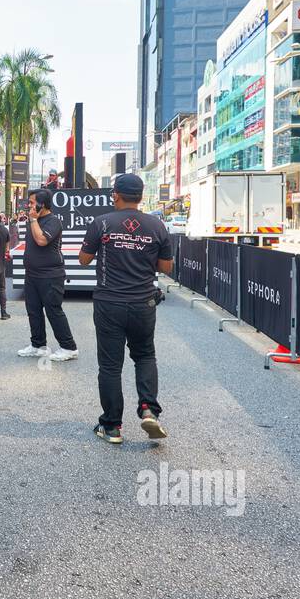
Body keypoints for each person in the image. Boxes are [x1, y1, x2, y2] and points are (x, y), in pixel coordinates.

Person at [78, 173, 171, 444]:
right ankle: (148, 409)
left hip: (109, 303)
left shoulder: (102, 223)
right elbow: (166, 268)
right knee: (144, 356)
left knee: (110, 366)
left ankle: (112, 426)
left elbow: (84, 260)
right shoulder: (157, 226)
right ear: (141, 196)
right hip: (144, 303)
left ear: (115, 194)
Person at [19, 188, 78, 361]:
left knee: (53, 311)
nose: (28, 205)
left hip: (51, 275)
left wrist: (34, 220)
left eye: (31, 202)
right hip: (32, 274)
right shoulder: (33, 221)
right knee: (33, 311)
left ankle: (69, 347)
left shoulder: (53, 221)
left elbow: (41, 240)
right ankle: (38, 345)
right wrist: (33, 220)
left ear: (41, 204)